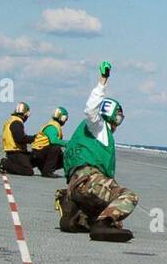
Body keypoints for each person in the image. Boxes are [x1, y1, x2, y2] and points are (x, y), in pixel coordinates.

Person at [56, 62, 139, 242]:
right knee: (128, 197)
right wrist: (103, 81)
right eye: (118, 117)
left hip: (74, 184)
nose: (118, 123)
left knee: (107, 219)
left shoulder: (81, 135)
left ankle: (75, 217)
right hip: (89, 182)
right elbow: (91, 109)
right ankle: (100, 227)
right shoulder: (98, 126)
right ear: (110, 114)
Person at [29, 106, 69, 177]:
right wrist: (68, 143)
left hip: (40, 152)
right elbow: (53, 141)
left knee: (62, 156)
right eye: (65, 119)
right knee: (55, 148)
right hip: (39, 153)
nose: (65, 121)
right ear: (62, 118)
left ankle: (45, 168)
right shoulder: (52, 126)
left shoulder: (53, 125)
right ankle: (47, 172)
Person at [0, 102, 34, 176]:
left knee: (36, 158)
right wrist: (34, 138)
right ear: (25, 114)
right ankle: (6, 164)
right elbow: (20, 139)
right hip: (16, 152)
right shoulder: (16, 122)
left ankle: (11, 165)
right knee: (28, 171)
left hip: (12, 152)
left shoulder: (11, 120)